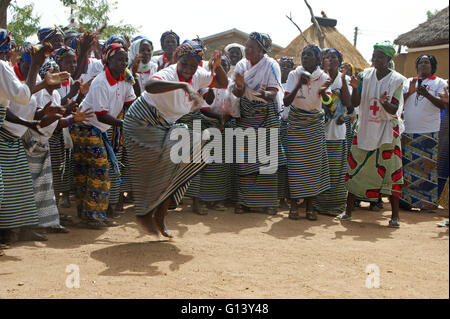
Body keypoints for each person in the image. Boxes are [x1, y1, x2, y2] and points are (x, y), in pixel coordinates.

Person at [123, 40, 228, 238]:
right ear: (178, 61)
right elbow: (149, 85)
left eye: (193, 65)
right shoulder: (169, 73)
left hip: (165, 125)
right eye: (184, 64)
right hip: (141, 122)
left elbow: (223, 83)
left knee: (182, 165)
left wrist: (217, 65)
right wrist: (182, 85)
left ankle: (159, 216)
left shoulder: (199, 74)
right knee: (164, 169)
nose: (188, 69)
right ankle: (146, 213)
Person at [0, 29, 70, 246]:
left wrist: (44, 108)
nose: (13, 51)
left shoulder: (11, 73)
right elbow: (19, 99)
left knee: (18, 186)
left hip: (12, 137)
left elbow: (25, 98)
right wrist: (37, 67)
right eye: (10, 46)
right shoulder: (4, 68)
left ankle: (13, 231)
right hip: (6, 135)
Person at [337, 41, 406, 228]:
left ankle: (395, 217)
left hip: (387, 132)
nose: (375, 59)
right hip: (366, 128)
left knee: (391, 172)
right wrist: (357, 87)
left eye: (380, 57)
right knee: (355, 168)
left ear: (388, 59)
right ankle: (348, 211)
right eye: (374, 56)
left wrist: (384, 103)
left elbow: (394, 109)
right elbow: (355, 103)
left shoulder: (398, 80)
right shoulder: (365, 75)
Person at [71, 42, 136, 229]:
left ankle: (90, 214)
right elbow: (101, 114)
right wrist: (126, 124)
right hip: (85, 127)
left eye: (125, 59)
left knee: (88, 171)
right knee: (100, 169)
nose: (123, 62)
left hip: (97, 129)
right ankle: (92, 215)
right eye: (119, 59)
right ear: (108, 60)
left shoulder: (125, 80)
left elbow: (130, 104)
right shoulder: (100, 82)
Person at [22, 60, 92, 233]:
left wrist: (71, 118)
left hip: (44, 143)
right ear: (46, 75)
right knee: (30, 188)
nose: (61, 76)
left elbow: (56, 123)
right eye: (55, 73)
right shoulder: (37, 95)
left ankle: (48, 222)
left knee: (45, 187)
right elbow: (37, 122)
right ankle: (29, 225)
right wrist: (62, 113)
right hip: (32, 144)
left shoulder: (55, 96)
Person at [231, 32, 285, 216]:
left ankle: (268, 202)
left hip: (265, 114)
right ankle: (244, 201)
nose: (247, 49)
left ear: (261, 50)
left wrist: (263, 95)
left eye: (251, 47)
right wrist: (239, 87)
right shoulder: (241, 65)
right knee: (245, 159)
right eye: (246, 46)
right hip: (246, 114)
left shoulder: (271, 65)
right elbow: (237, 92)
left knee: (266, 160)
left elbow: (273, 91)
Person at [283, 44, 332, 221]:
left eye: (309, 55)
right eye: (303, 54)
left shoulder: (324, 77)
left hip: (314, 125)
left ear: (318, 59)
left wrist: (325, 92)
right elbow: (287, 101)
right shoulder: (293, 74)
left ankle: (310, 207)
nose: (304, 57)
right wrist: (299, 84)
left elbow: (328, 102)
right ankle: (294, 205)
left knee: (313, 167)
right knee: (295, 166)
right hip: (296, 123)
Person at [400, 54, 447, 212]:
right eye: (420, 62)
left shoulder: (439, 82)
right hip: (408, 130)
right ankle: (406, 201)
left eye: (426, 62)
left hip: (428, 131)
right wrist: (411, 91)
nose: (423, 65)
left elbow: (443, 105)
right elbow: (400, 102)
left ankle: (426, 203)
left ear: (432, 65)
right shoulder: (408, 81)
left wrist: (426, 94)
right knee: (408, 168)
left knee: (426, 169)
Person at [312, 48, 353, 216]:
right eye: (326, 57)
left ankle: (334, 205)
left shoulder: (346, 79)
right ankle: (316, 204)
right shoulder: (316, 77)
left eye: (333, 57)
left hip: (337, 130)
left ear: (340, 60)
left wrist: (342, 80)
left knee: (336, 169)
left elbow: (349, 105)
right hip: (317, 129)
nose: (330, 60)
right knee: (318, 168)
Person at [277, 57, 295, 208]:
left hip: (290, 126)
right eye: (281, 65)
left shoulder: (293, 83)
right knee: (278, 163)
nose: (284, 68)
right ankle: (278, 196)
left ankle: (286, 197)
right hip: (276, 126)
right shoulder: (274, 83)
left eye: (287, 66)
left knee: (289, 163)